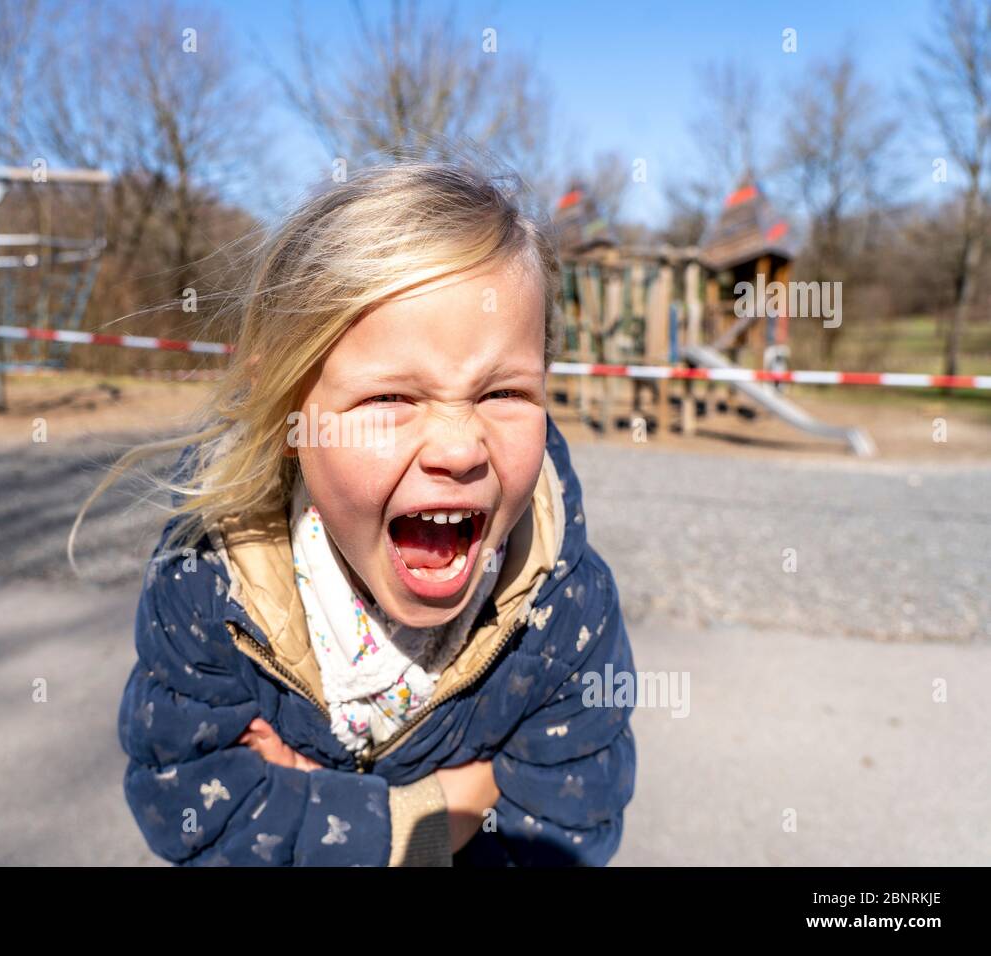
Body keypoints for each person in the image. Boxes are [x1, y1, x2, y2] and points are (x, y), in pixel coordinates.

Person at [75, 155, 637, 866]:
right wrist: (455, 804)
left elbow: (563, 836)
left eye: (503, 394)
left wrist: (315, 806)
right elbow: (194, 813)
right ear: (286, 413)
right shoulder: (209, 583)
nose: (461, 448)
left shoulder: (566, 608)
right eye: (391, 399)